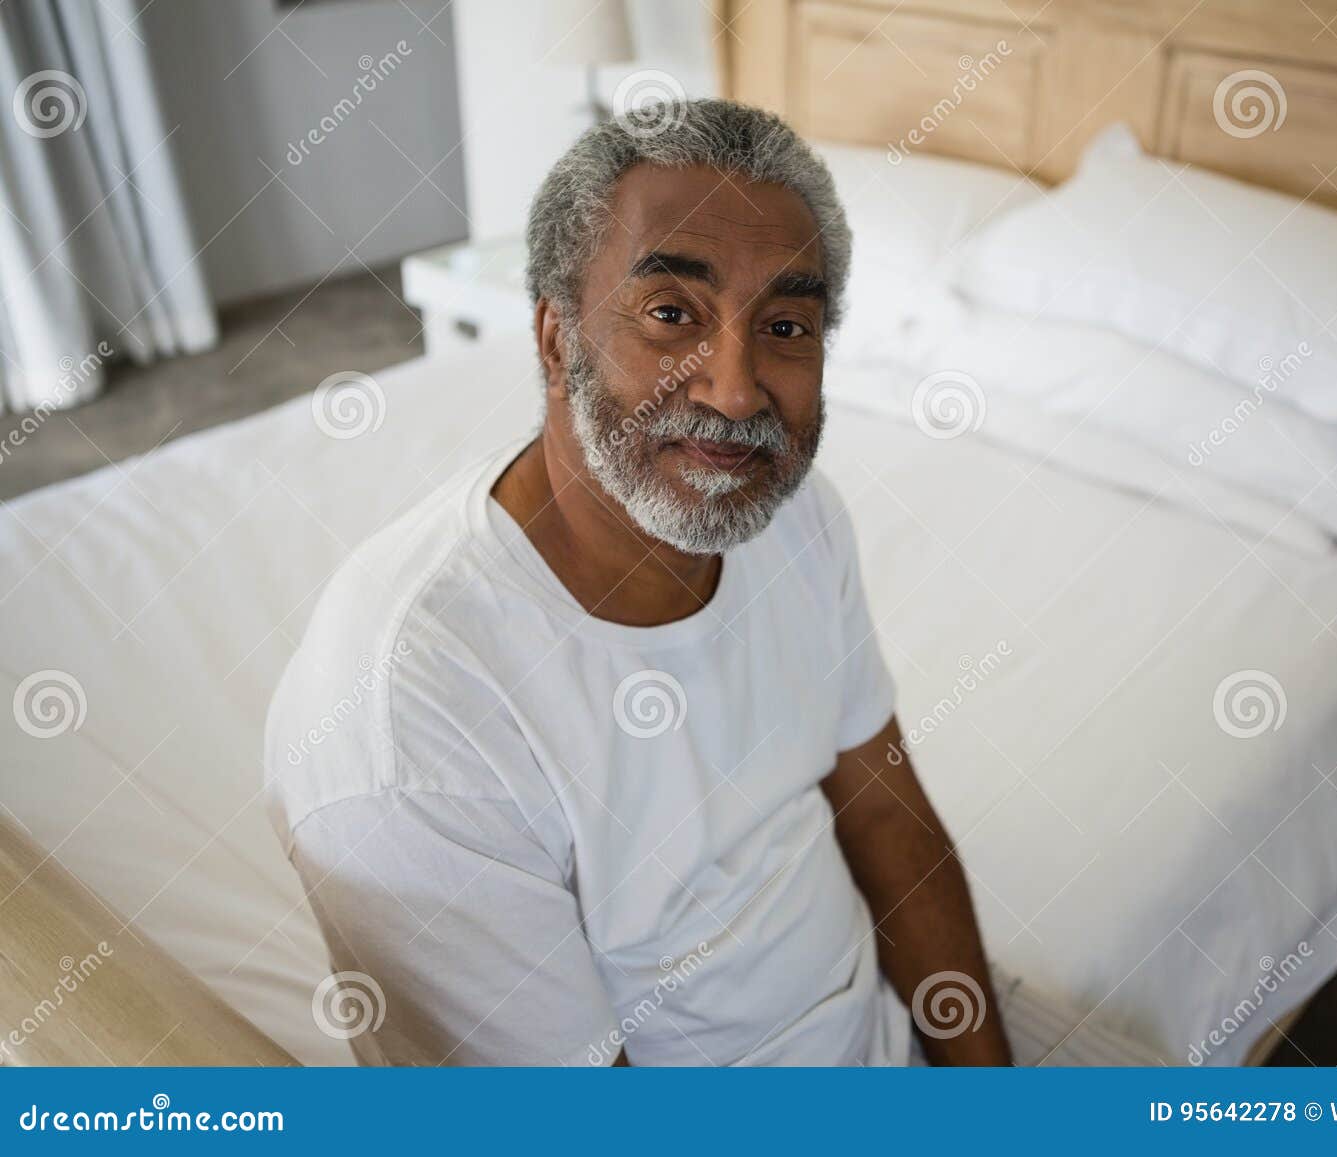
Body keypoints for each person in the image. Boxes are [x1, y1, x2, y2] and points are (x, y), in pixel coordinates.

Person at [264, 98, 1009, 1066]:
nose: (735, 389)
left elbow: (884, 815)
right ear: (554, 334)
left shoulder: (800, 518)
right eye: (670, 313)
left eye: (785, 323)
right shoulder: (413, 710)